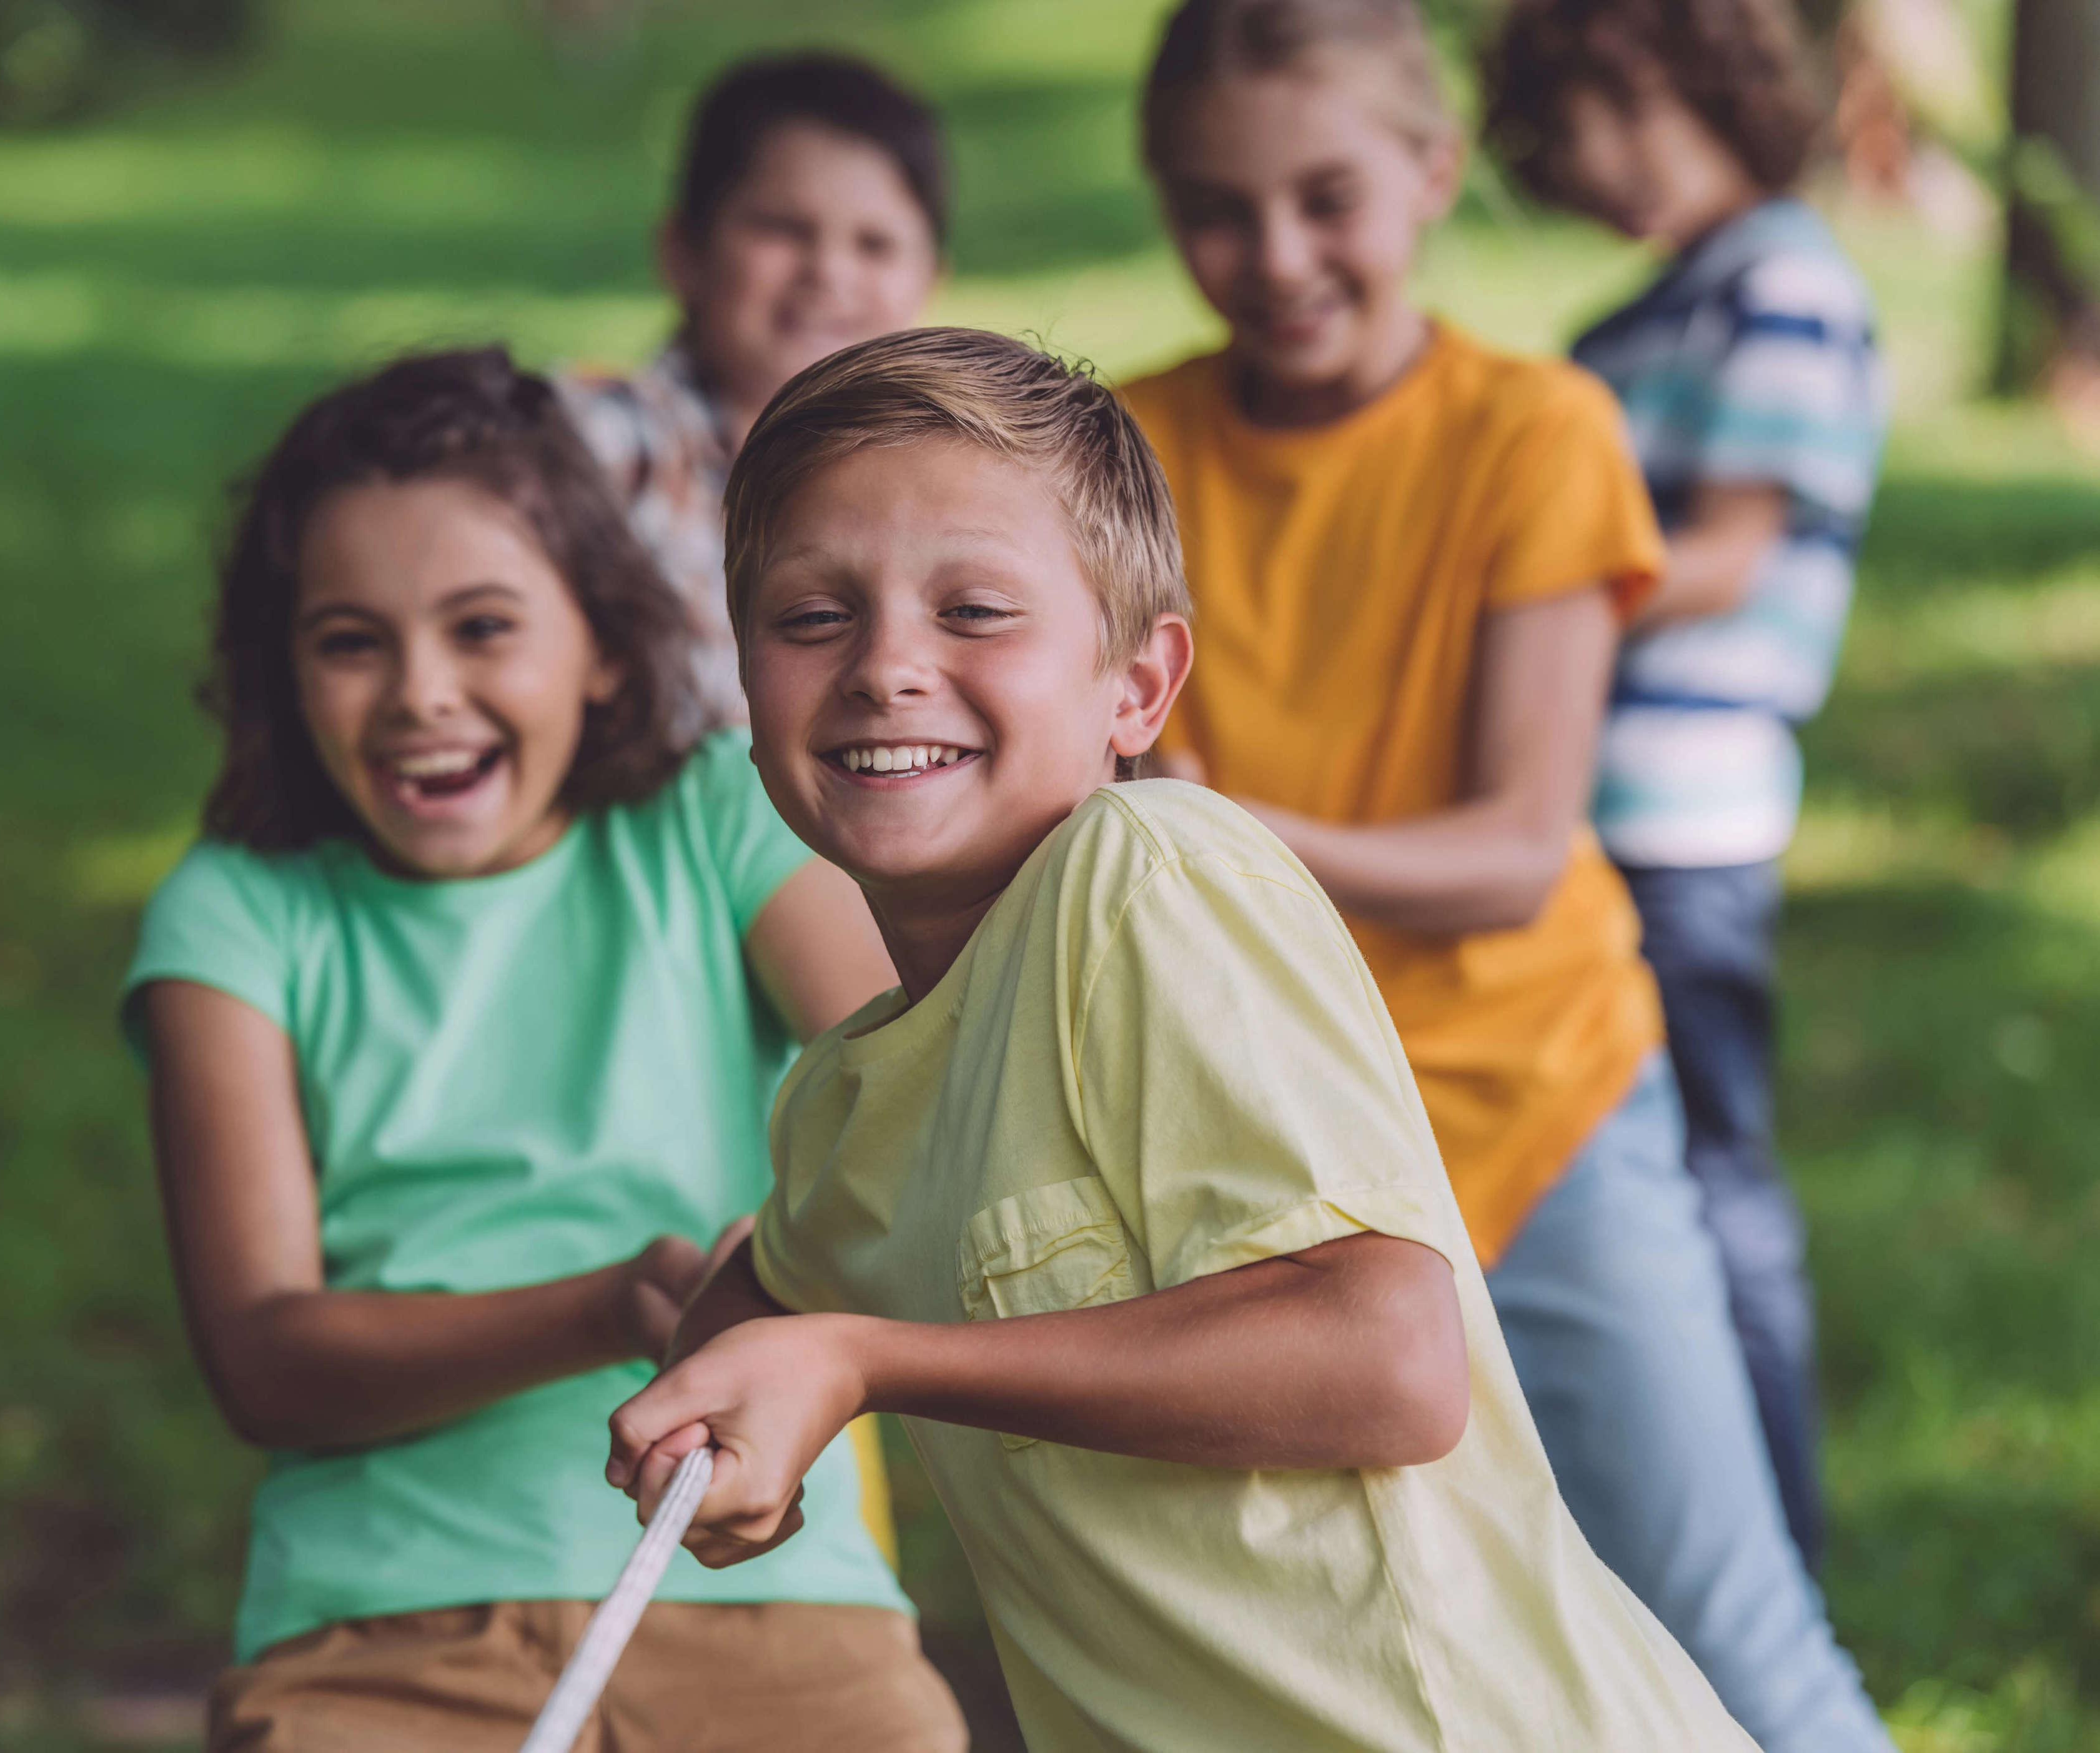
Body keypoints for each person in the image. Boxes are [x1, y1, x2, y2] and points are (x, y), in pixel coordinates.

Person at [605, 324, 1758, 1753]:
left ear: (1137, 688)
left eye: (973, 609)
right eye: (808, 617)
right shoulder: (846, 1097)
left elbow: (1385, 1356)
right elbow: (765, 1302)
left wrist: (865, 1359)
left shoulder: (1146, 867)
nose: (885, 664)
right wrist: (713, 1415)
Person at [1111, 4, 1893, 1748]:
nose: (1276, 255)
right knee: (1298, 1662)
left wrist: (1209, 827)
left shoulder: (1532, 430)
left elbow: (1505, 851)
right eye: (1216, 210)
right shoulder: (1124, 450)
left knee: (1723, 1630)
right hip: (1258, 1141)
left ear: (1431, 174)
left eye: (1327, 197)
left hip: (1528, 1095)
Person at [123, 347, 964, 1753]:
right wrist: (603, 1306)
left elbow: (918, 1090)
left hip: (767, 1591)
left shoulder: (711, 820)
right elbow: (264, 1357)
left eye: (482, 626)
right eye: (349, 639)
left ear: (604, 644)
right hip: (374, 1630)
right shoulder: (236, 913)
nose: (420, 693)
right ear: (282, 672)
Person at [1483, 0, 1890, 1577]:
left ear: (1671, 85)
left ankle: (1766, 1529)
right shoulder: (1638, 316)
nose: (1574, 171)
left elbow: (1725, 550)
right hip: (1583, 811)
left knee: (1708, 1177)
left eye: (1585, 127)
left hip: (1685, 812)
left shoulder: (1780, 283)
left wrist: (1523, 595)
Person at [557, 51, 948, 730]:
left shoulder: (950, 474)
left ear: (929, 279)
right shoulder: (600, 447)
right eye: (781, 229)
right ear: (684, 251)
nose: (828, 271)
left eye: (875, 244)